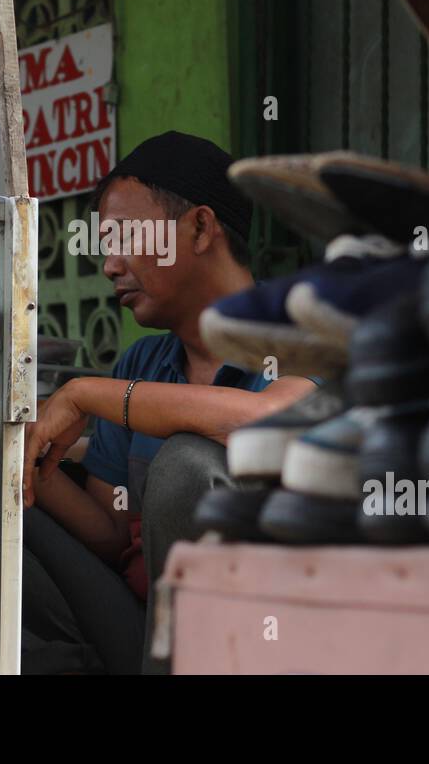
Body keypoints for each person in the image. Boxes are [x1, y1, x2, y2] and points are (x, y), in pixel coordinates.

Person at [20, 131, 314, 674]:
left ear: (201, 227)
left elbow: (271, 420)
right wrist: (33, 462)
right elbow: (113, 535)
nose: (110, 265)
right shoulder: (144, 364)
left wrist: (87, 393)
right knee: (2, 506)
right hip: (150, 630)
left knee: (186, 464)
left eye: (127, 236)